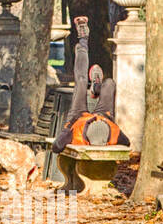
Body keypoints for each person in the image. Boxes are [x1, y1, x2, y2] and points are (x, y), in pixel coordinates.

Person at [52, 15, 129, 152]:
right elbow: (127, 143)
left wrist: (65, 131)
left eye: (95, 121)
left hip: (78, 116)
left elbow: (56, 147)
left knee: (81, 82)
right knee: (110, 83)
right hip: (106, 115)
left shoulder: (74, 134)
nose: (96, 119)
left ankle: (83, 40)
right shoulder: (113, 132)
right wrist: (105, 121)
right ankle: (96, 88)